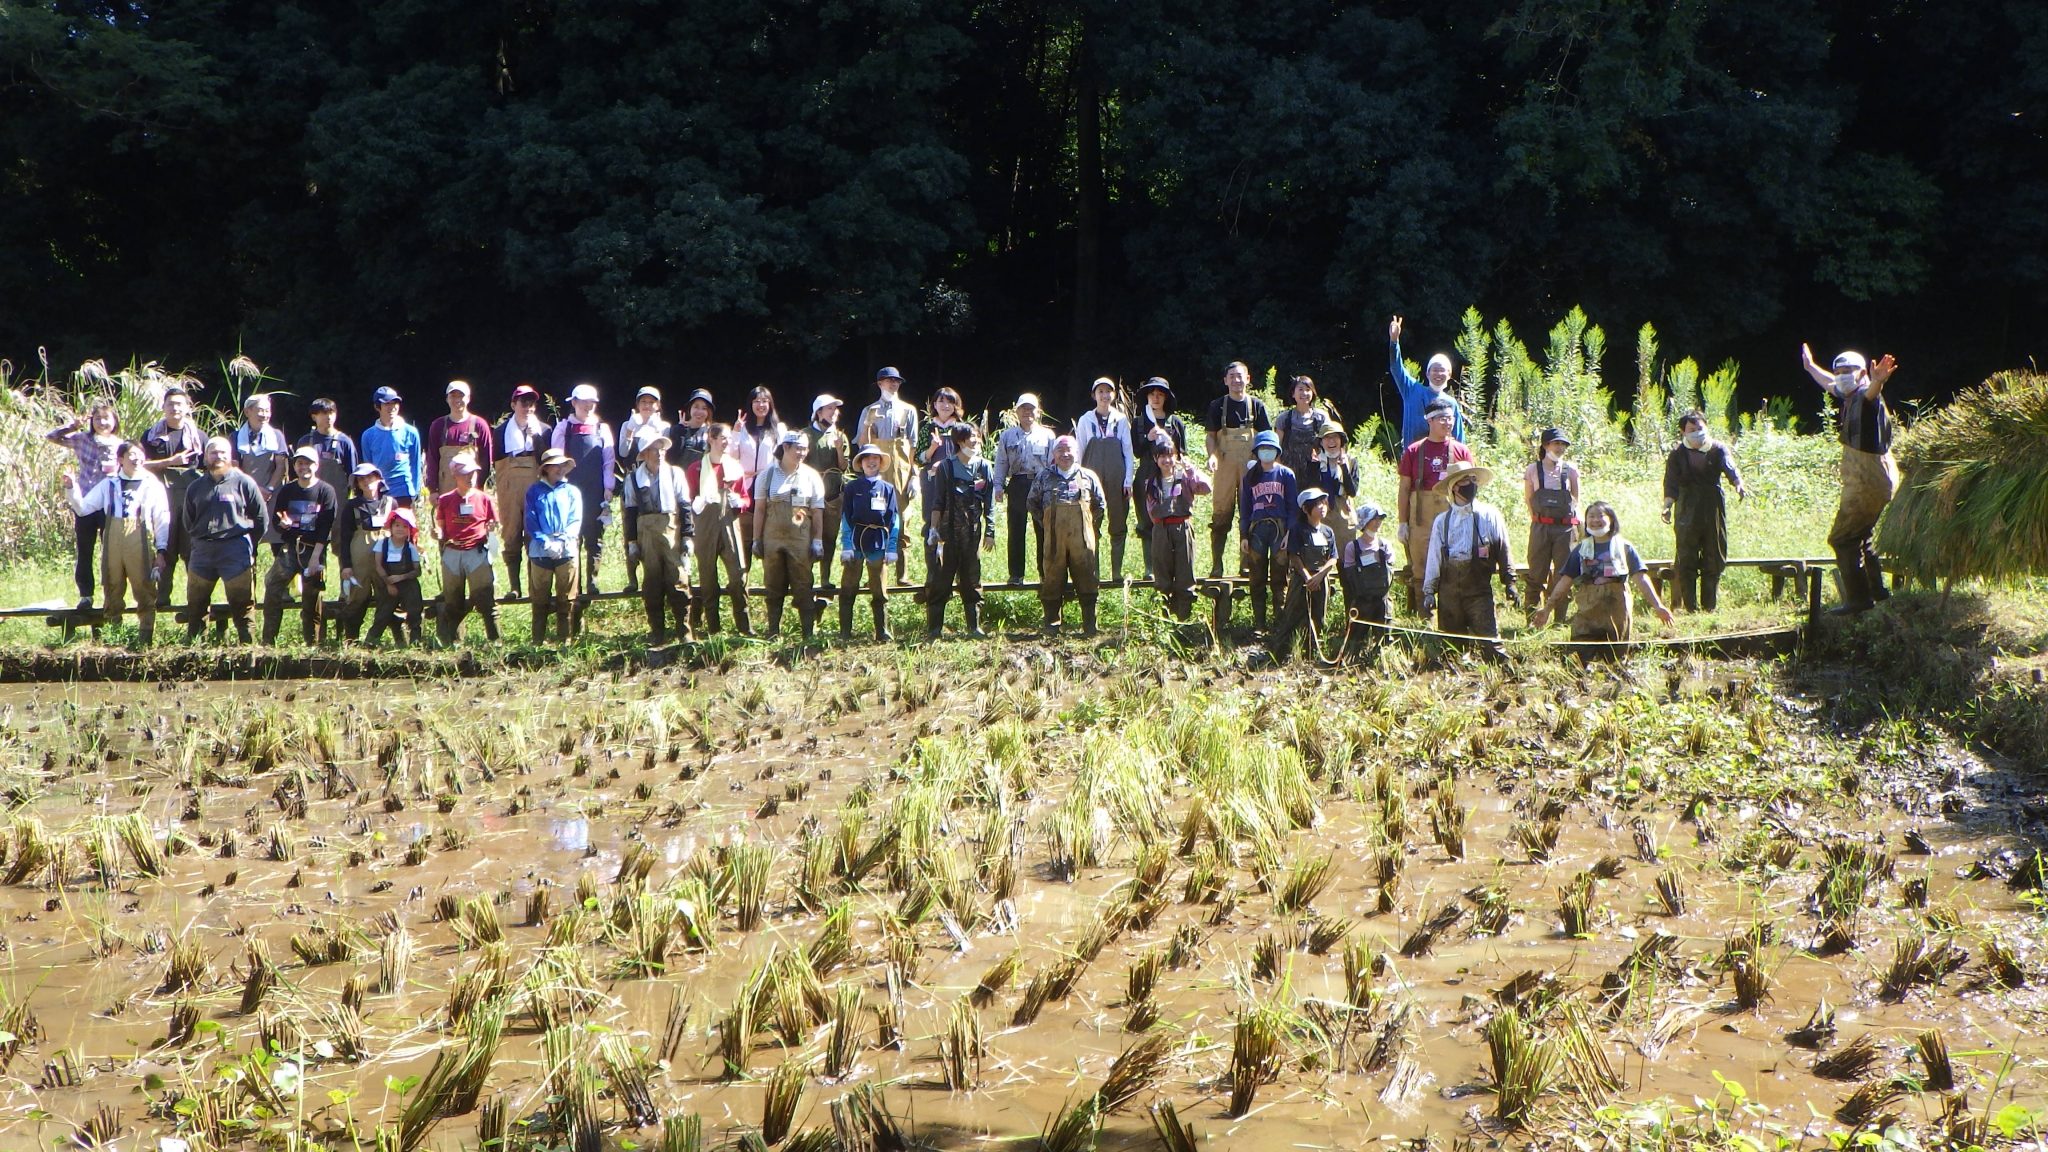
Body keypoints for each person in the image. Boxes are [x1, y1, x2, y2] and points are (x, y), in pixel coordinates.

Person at [1802, 344, 1899, 614]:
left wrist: (1878, 381)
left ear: (1862, 374)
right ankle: (1878, 591)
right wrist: (1811, 367)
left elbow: (1871, 394)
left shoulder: (1866, 398)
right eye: (1839, 371)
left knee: (1842, 538)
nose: (1842, 376)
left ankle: (1857, 599)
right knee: (1863, 535)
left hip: (1867, 481)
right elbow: (1831, 384)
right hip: (1879, 478)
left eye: (1849, 371)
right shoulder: (1850, 396)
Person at [64, 441, 169, 647]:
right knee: (112, 588)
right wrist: (71, 487)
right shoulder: (108, 484)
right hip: (113, 543)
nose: (136, 458)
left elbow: (162, 518)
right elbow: (83, 508)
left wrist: (161, 549)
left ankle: (145, 641)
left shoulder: (152, 484)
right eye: (131, 454)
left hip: (141, 542)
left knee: (145, 589)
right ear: (120, 460)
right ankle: (114, 641)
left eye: (139, 454)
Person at [1531, 502, 1674, 641]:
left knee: (1616, 656)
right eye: (1591, 516)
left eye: (1600, 516)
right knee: (1581, 655)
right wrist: (1547, 609)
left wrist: (1658, 606)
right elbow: (1565, 581)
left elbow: (1640, 578)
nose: (1595, 520)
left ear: (1611, 520)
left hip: (1617, 609)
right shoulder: (1580, 550)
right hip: (1587, 610)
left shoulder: (1625, 548)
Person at [1420, 461, 1519, 642]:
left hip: (1478, 590)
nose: (1471, 484)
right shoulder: (1442, 521)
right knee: (1453, 647)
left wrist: (1510, 582)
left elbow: (1503, 549)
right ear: (1454, 487)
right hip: (1448, 592)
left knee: (1490, 643)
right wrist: (1429, 591)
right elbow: (1434, 558)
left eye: (1473, 479)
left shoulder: (1490, 515)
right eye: (1465, 480)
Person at [181, 436, 267, 643]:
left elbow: (261, 518)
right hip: (203, 552)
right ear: (205, 457)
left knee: (243, 605)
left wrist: (248, 545)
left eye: (223, 453)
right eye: (213, 452)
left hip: (235, 550)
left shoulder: (244, 482)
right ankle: (196, 648)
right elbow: (187, 520)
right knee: (196, 605)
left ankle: (248, 648)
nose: (218, 456)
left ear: (230, 456)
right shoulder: (195, 486)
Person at [1661, 412, 1748, 612]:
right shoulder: (1677, 454)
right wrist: (1667, 506)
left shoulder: (1718, 449)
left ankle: (1710, 607)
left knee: (1714, 556)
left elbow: (1730, 468)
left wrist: (1738, 484)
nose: (1697, 433)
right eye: (1692, 430)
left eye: (1700, 428)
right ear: (1683, 432)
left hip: (1712, 506)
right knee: (1686, 557)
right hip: (1686, 506)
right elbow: (1671, 483)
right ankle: (1690, 608)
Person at [1397, 397, 1475, 611]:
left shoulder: (1461, 451)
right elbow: (1404, 489)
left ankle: (1451, 615)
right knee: (1420, 568)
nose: (1447, 423)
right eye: (1442, 418)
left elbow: (1471, 487)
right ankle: (1425, 619)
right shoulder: (1413, 451)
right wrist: (1402, 523)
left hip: (1453, 517)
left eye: (1450, 419)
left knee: (1452, 564)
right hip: (1420, 517)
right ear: (1429, 421)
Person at [1026, 435, 1109, 636]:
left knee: (1087, 576)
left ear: (1077, 452)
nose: (1065, 454)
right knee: (1052, 577)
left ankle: (1090, 625)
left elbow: (1100, 505)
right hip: (1054, 539)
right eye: (1060, 450)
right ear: (1054, 454)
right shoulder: (1044, 476)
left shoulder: (1088, 476)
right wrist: (1047, 524)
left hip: (1082, 538)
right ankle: (1052, 624)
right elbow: (1032, 503)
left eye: (1069, 450)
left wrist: (1088, 526)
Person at [46, 397, 123, 609]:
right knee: (85, 550)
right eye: (98, 418)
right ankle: (86, 595)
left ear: (115, 421)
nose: (102, 422)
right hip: (85, 502)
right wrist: (72, 426)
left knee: (111, 553)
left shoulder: (120, 445)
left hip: (109, 504)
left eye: (107, 418)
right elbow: (52, 436)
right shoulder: (82, 439)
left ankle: (112, 595)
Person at [622, 428, 695, 645]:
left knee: (679, 581)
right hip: (647, 536)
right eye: (654, 449)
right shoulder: (633, 479)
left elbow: (685, 506)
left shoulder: (675, 473)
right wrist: (632, 542)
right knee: (652, 585)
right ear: (644, 453)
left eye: (661, 449)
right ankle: (657, 633)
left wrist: (688, 536)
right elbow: (630, 512)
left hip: (671, 532)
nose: (659, 453)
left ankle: (685, 632)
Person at [751, 432, 826, 641]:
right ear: (785, 447)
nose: (802, 453)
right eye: (797, 448)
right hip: (772, 537)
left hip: (800, 537)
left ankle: (807, 635)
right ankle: (773, 631)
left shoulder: (812, 476)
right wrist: (756, 540)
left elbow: (818, 511)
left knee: (803, 583)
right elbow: (759, 509)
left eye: (805, 448)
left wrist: (817, 541)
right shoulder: (767, 475)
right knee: (773, 583)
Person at [260, 446, 337, 645]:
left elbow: (326, 527)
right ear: (294, 466)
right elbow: (277, 521)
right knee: (273, 585)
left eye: (308, 463)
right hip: (290, 549)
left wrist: (316, 557)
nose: (304, 467)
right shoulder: (287, 490)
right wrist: (283, 526)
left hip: (314, 549)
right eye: (300, 463)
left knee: (313, 595)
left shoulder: (326, 491)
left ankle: (313, 643)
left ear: (316, 465)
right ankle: (268, 641)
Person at [926, 425, 996, 639]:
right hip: (947, 533)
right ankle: (934, 629)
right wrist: (933, 529)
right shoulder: (946, 467)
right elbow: (937, 500)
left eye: (976, 436)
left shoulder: (984, 466)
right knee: (941, 579)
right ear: (960, 441)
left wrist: (990, 531)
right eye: (970, 437)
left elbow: (989, 502)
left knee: (971, 578)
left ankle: (974, 627)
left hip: (973, 532)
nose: (975, 441)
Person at [1203, 361, 1272, 577]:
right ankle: (1217, 565)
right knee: (1221, 515)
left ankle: (1246, 564)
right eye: (1231, 376)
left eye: (1239, 376)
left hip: (1250, 468)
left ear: (1248, 379)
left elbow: (1266, 438)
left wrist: (1265, 463)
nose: (1236, 380)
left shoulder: (1257, 406)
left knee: (1250, 514)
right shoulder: (1217, 406)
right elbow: (1211, 436)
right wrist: (1212, 456)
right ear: (1225, 381)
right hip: (1224, 466)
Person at [142, 387, 206, 608]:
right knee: (165, 549)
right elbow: (141, 465)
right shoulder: (151, 436)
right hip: (162, 500)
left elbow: (211, 470)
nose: (175, 408)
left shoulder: (200, 437)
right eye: (171, 404)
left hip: (192, 503)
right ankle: (161, 598)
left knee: (192, 552)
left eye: (180, 404)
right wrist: (170, 462)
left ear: (188, 408)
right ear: (163, 407)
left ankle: (196, 599)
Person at [550, 383, 616, 595]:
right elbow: (557, 461)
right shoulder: (564, 428)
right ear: (574, 402)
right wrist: (559, 486)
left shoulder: (602, 428)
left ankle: (592, 581)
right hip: (570, 490)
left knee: (594, 537)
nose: (588, 406)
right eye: (584, 401)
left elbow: (608, 461)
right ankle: (572, 582)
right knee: (571, 536)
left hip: (595, 489)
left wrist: (608, 487)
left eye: (592, 402)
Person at [687, 424, 753, 636]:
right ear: (711, 439)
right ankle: (714, 629)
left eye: (729, 439)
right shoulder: (696, 468)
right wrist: (699, 502)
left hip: (729, 524)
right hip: (705, 527)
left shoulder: (734, 467)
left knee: (739, 576)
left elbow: (746, 498)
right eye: (723, 438)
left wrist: (739, 501)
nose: (727, 442)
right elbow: (687, 501)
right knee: (707, 579)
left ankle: (744, 627)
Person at [856, 369, 920, 583]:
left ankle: (902, 574)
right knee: (875, 518)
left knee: (902, 519)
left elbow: (912, 446)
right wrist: (867, 423)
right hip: (877, 472)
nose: (893, 384)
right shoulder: (868, 410)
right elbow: (862, 445)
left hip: (901, 473)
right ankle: (875, 575)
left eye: (897, 381)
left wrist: (913, 475)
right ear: (879, 383)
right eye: (889, 380)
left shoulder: (908, 410)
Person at [1140, 437, 1211, 621]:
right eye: (1162, 456)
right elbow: (1150, 510)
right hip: (1161, 530)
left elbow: (1206, 488)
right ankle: (1165, 620)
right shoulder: (1151, 482)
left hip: (1182, 527)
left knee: (1185, 575)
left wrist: (1191, 470)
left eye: (1170, 455)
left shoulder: (1186, 477)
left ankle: (1183, 620)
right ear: (1155, 459)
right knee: (1162, 578)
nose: (1166, 460)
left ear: (1176, 456)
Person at [434, 453, 500, 645]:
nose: (470, 477)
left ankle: (495, 640)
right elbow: (440, 525)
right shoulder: (446, 500)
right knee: (453, 599)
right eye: (465, 474)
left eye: (473, 473)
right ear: (455, 477)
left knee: (485, 599)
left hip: (476, 552)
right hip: (453, 552)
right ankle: (454, 641)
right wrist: (437, 532)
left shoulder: (485, 499)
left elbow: (494, 524)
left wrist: (493, 532)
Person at [1265, 488, 1338, 662]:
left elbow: (1333, 558)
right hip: (1301, 580)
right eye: (1317, 504)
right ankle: (1279, 656)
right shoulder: (1298, 529)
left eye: (1323, 503)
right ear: (1305, 509)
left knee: (1318, 618)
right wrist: (1307, 577)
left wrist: (1320, 576)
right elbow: (1294, 555)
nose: (1322, 507)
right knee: (1292, 617)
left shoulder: (1328, 532)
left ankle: (1312, 656)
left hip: (1321, 580)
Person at [1075, 378, 1136, 582]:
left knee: (1118, 524)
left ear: (1114, 395)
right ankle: (1095, 572)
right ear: (1094, 395)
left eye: (1108, 392)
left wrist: (1128, 480)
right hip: (1091, 480)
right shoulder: (1085, 420)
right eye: (1100, 391)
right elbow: (1080, 450)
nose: (1104, 395)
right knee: (1092, 522)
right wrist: (1078, 479)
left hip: (1117, 478)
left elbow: (1128, 452)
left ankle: (1116, 572)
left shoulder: (1121, 420)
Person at [837, 444, 901, 641]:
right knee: (848, 588)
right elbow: (846, 517)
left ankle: (881, 631)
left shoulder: (888, 489)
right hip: (856, 542)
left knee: (879, 590)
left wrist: (891, 548)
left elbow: (894, 519)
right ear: (861, 463)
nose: (871, 461)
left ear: (881, 462)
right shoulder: (851, 487)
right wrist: (846, 546)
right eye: (866, 458)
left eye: (875, 458)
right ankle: (845, 633)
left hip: (878, 543)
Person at [494, 384, 552, 598]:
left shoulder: (544, 431)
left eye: (531, 403)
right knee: (510, 535)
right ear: (513, 405)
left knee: (534, 536)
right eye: (523, 403)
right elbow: (495, 463)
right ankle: (514, 586)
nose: (527, 407)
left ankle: (534, 587)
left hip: (535, 490)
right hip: (509, 489)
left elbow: (547, 461)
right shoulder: (500, 432)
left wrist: (535, 439)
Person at [1239, 430, 1299, 633]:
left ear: (1277, 451)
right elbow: (1244, 509)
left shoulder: (1286, 474)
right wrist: (1243, 535)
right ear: (1256, 451)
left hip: (1279, 529)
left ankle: (1280, 623)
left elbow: (1293, 507)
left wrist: (1290, 532)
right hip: (1256, 530)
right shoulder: (1249, 477)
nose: (1267, 452)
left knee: (1279, 577)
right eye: (1263, 448)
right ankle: (1259, 623)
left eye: (1271, 448)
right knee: (1256, 577)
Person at [993, 394, 1056, 584]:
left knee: (1044, 529)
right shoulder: (1007, 436)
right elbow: (1001, 462)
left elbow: (1053, 463)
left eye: (1031, 408)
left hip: (1042, 484)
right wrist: (998, 485)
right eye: (1023, 408)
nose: (1027, 412)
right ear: (1017, 412)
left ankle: (1045, 572)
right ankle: (1016, 574)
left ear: (1038, 412)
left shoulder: (1048, 435)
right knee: (1015, 529)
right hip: (1018, 483)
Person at [525, 449, 584, 643]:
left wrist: (563, 540)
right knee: (539, 599)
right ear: (546, 468)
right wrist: (545, 541)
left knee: (566, 599)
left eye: (563, 465)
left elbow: (575, 519)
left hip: (566, 549)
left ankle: (564, 641)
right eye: (556, 465)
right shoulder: (533, 491)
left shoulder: (572, 492)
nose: (560, 469)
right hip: (540, 551)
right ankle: (536, 642)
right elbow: (530, 520)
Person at [618, 386, 671, 595]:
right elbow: (622, 452)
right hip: (633, 480)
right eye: (643, 402)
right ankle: (632, 577)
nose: (647, 406)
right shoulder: (627, 425)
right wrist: (631, 430)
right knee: (630, 529)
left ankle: (664, 574)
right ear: (637, 405)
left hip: (658, 481)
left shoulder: (665, 427)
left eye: (651, 402)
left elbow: (668, 453)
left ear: (658, 405)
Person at [1132, 379, 1186, 580]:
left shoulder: (1176, 422)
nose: (1156, 398)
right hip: (1146, 474)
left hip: (1171, 476)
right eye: (1152, 394)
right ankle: (1150, 568)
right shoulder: (1138, 423)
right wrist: (1149, 439)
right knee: (1147, 521)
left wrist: (1167, 441)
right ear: (1146, 397)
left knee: (1172, 519)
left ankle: (1174, 565)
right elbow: (1136, 452)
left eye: (1160, 394)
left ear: (1166, 398)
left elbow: (1182, 452)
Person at [918, 387, 969, 596]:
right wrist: (932, 449)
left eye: (950, 401)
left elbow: (970, 454)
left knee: (959, 524)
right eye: (940, 401)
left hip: (958, 484)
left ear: (957, 406)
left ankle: (959, 574)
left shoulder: (963, 428)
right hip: (931, 483)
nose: (945, 405)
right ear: (934, 405)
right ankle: (933, 574)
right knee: (932, 524)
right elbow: (917, 458)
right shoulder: (926, 428)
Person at [1523, 428, 1581, 610]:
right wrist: (1540, 519)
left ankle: (1559, 619)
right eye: (1557, 443)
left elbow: (1576, 499)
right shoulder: (1533, 469)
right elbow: (1529, 498)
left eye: (1563, 445)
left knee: (1564, 574)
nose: (1560, 448)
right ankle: (1532, 616)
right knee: (1536, 572)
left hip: (1565, 530)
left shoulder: (1570, 470)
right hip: (1540, 527)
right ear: (1545, 445)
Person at [336, 463, 395, 642]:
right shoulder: (351, 506)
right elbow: (344, 538)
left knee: (388, 596)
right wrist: (345, 565)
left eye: (370, 477)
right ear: (357, 484)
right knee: (356, 597)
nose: (366, 481)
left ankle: (382, 638)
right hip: (359, 557)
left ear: (378, 479)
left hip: (385, 557)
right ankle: (350, 639)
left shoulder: (391, 503)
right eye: (361, 479)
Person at [1388, 316, 1467, 446]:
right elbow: (1396, 368)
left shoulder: (1451, 403)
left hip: (1441, 462)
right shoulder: (1412, 390)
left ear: (1449, 374)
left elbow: (1459, 441)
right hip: (1412, 458)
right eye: (1435, 370)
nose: (1438, 374)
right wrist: (1394, 341)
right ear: (1427, 373)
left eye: (1442, 371)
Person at [732, 386, 784, 568]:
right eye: (756, 401)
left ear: (770, 404)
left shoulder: (779, 428)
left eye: (764, 401)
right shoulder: (742, 428)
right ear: (750, 404)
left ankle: (771, 580)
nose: (761, 405)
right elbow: (732, 456)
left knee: (768, 532)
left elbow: (783, 458)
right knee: (745, 532)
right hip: (745, 484)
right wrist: (736, 432)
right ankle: (743, 576)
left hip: (768, 484)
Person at [805, 395, 851, 595]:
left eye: (836, 409)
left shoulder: (839, 436)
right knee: (806, 536)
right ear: (818, 412)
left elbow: (844, 467)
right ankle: (806, 577)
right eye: (829, 408)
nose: (834, 412)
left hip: (833, 495)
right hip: (809, 496)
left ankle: (825, 578)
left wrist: (840, 449)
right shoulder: (805, 435)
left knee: (829, 538)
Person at [1338, 504, 1396, 654]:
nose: (1378, 523)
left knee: (1384, 641)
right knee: (1356, 641)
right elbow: (1349, 574)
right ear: (1364, 521)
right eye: (1374, 519)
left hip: (1382, 601)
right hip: (1362, 601)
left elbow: (1390, 570)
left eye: (1380, 519)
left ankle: (1381, 664)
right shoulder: (1353, 547)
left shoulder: (1385, 545)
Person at [425, 380, 497, 502]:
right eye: (453, 396)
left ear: (468, 398)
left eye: (461, 396)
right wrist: (433, 490)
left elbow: (486, 461)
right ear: (447, 399)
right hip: (445, 491)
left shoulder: (480, 425)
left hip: (473, 491)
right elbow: (432, 459)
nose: (457, 400)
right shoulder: (438, 426)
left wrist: (479, 488)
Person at [364, 508, 425, 648]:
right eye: (397, 525)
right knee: (382, 615)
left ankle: (416, 644)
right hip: (388, 585)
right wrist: (389, 583)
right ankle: (369, 644)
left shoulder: (411, 548)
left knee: (415, 614)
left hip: (409, 586)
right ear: (391, 527)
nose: (400, 529)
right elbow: (378, 565)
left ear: (410, 530)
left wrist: (401, 577)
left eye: (405, 526)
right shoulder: (382, 544)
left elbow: (417, 571)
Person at [361, 386, 424, 509]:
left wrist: (415, 492)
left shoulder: (411, 432)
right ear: (377, 407)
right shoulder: (368, 435)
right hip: (380, 494)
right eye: (387, 404)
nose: (392, 407)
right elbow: (368, 468)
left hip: (405, 493)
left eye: (395, 403)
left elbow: (416, 464)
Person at [233, 393, 289, 531]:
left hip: (271, 492)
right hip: (245, 492)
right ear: (247, 412)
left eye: (267, 410)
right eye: (260, 410)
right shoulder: (235, 437)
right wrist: (253, 490)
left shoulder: (276, 435)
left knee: (274, 531)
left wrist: (268, 489)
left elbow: (281, 466)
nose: (264, 415)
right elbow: (234, 467)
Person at [1311, 423, 1360, 556]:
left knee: (1346, 555)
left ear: (1341, 440)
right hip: (1321, 511)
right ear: (1321, 442)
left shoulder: (1351, 461)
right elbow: (1312, 489)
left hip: (1343, 510)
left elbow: (1353, 491)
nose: (1331, 442)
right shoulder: (1315, 462)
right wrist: (1314, 468)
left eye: (1335, 437)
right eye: (1327, 438)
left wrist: (1344, 467)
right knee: (1320, 555)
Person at [296, 398, 359, 496]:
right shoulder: (305, 441)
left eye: (332, 413)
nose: (329, 417)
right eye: (324, 413)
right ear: (314, 417)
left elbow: (353, 475)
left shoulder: (345, 442)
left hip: (338, 498)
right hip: (310, 496)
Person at [1275, 375, 1330, 480]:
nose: (1304, 393)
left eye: (1308, 390)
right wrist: (1279, 471)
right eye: (1300, 389)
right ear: (1293, 394)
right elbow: (1277, 448)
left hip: (1315, 471)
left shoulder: (1322, 417)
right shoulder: (1284, 418)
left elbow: (1331, 441)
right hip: (1288, 472)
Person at [672, 389, 717, 473]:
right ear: (690, 408)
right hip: (679, 479)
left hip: (702, 479)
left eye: (704, 408)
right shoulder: (677, 429)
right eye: (696, 407)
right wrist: (680, 434)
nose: (699, 412)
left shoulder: (712, 432)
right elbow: (670, 459)